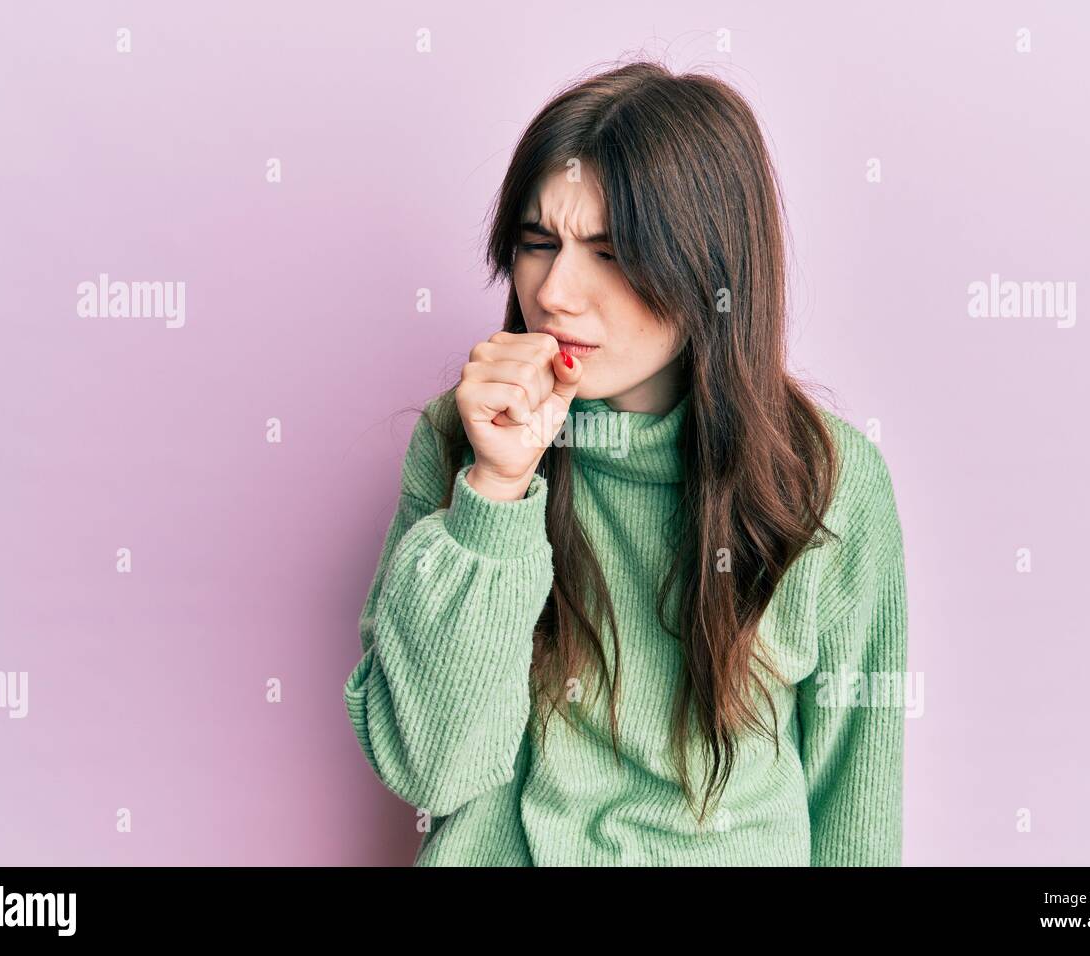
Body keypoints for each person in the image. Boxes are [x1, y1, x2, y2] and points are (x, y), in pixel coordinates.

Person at [343, 61, 908, 866]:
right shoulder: (460, 440)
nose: (557, 292)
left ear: (711, 268)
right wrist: (497, 491)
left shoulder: (829, 479)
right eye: (539, 244)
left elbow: (858, 801)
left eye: (610, 253)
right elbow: (431, 766)